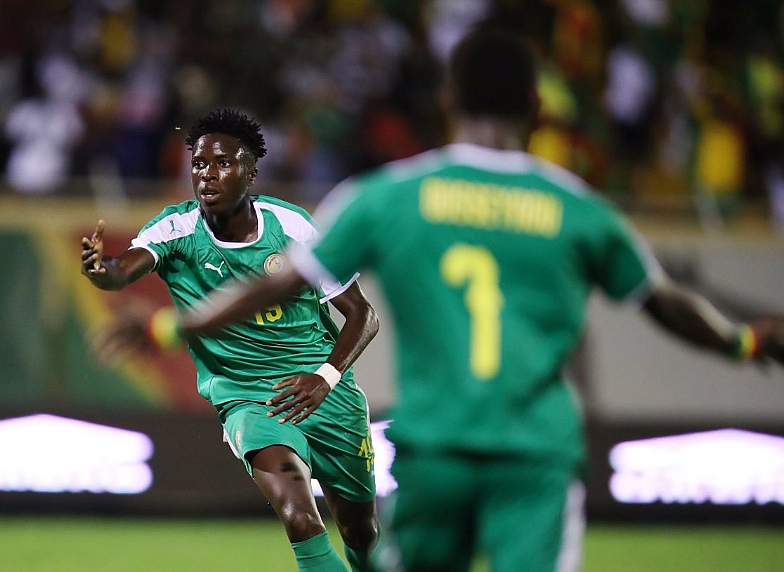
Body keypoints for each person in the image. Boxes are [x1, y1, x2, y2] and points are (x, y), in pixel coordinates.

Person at [112, 27, 784, 572]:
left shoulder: (387, 197)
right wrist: (745, 342)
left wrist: (173, 331)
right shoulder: (577, 210)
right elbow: (661, 301)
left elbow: (278, 279)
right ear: (537, 108)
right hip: (535, 455)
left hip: (436, 451)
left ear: (447, 102)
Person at [81, 108, 380, 572]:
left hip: (323, 391)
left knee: (361, 531)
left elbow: (363, 314)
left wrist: (325, 377)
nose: (207, 174)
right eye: (199, 164)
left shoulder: (291, 227)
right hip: (246, 397)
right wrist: (103, 272)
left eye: (222, 163)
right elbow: (122, 269)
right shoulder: (177, 230)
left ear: (251, 171)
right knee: (298, 515)